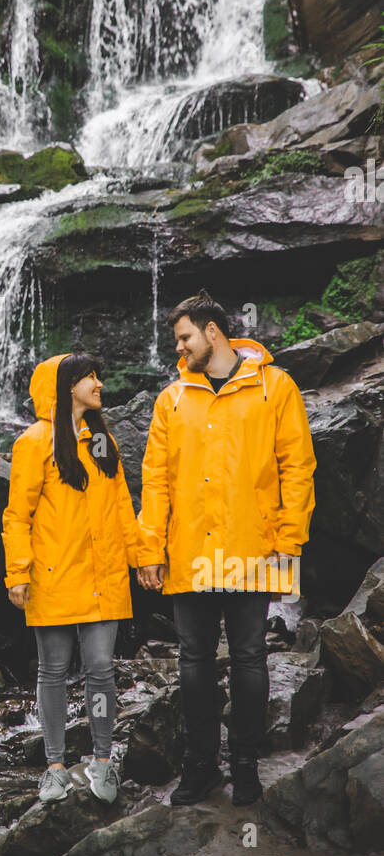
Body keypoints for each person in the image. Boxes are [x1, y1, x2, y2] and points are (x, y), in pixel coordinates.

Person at [137, 289, 316, 807]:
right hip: (190, 549)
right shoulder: (171, 399)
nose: (180, 347)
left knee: (249, 658)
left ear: (212, 331)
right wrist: (150, 550)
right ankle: (200, 768)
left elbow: (297, 468)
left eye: (185, 336)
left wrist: (289, 542)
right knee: (192, 660)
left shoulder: (275, 387)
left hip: (252, 547)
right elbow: (155, 482)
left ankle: (245, 766)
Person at [2, 351, 139, 805]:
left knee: (100, 667)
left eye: (98, 375)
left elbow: (122, 508)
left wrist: (143, 558)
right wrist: (18, 572)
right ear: (66, 388)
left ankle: (103, 760)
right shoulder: (34, 442)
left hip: (104, 575)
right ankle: (56, 766)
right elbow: (17, 516)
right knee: (54, 671)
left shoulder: (103, 442)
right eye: (89, 377)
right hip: (54, 575)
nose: (99, 384)